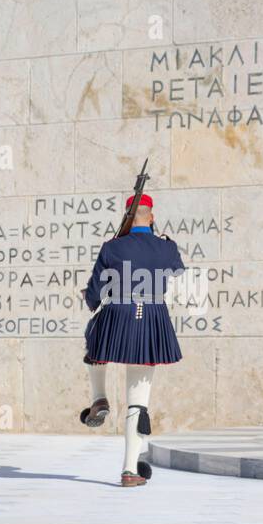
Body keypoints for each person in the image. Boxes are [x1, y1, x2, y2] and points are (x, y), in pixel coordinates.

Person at [80, 193, 185, 487]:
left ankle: (99, 397)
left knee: (94, 345)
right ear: (151, 217)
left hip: (118, 312)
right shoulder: (166, 247)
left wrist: (90, 301)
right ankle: (129, 470)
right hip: (151, 316)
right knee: (138, 402)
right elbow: (177, 269)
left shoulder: (113, 246)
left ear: (126, 217)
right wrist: (161, 239)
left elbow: (95, 291)